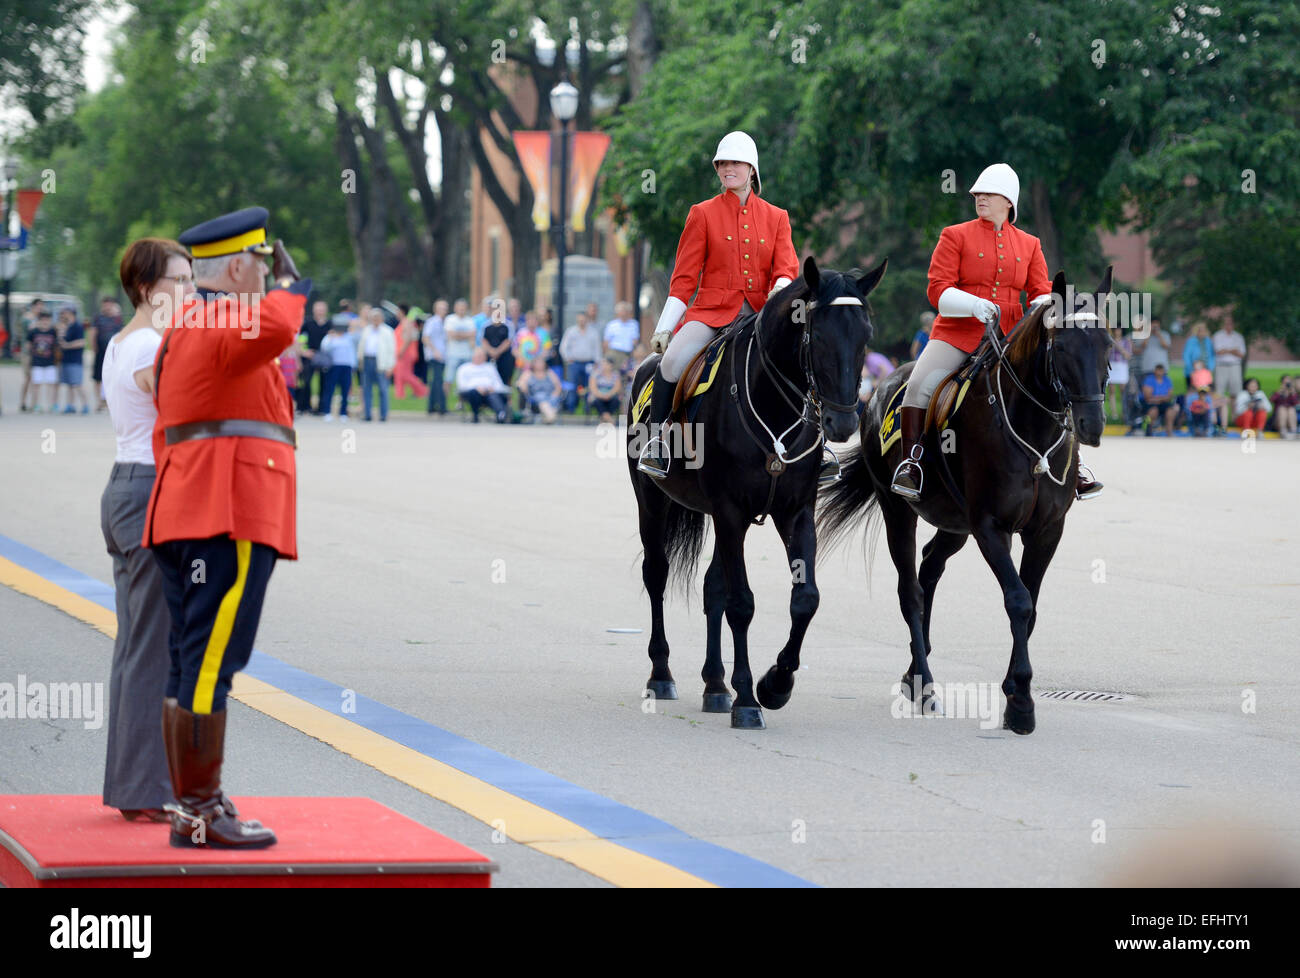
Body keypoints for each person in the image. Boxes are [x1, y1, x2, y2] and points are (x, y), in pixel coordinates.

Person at [145, 206, 311, 849]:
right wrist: (294, 288)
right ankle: (198, 809)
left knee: (191, 659)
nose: (270, 277)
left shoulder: (190, 324)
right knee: (212, 659)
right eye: (263, 264)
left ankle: (191, 802)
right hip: (226, 510)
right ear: (240, 266)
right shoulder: (220, 315)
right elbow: (279, 322)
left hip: (191, 508)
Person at [894, 162, 1101, 499]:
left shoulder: (1030, 244)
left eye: (988, 194)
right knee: (919, 385)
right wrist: (972, 305)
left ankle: (1074, 466)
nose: (980, 198)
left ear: (1008, 201)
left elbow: (1038, 292)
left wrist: (1060, 302)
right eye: (977, 194)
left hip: (1011, 336)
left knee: (1057, 384)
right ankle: (911, 462)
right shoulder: (955, 234)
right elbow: (938, 289)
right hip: (957, 334)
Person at [638, 130, 799, 478]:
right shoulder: (702, 213)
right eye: (722, 163)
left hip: (760, 315)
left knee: (804, 359)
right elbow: (683, 279)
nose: (727, 168)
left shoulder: (777, 217)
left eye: (735, 163)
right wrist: (666, 326)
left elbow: (786, 267)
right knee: (671, 363)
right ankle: (657, 442)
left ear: (752, 169)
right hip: (711, 314)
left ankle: (819, 450)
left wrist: (781, 290)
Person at [100, 238, 193, 823]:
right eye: (178, 281)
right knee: (151, 648)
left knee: (139, 644)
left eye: (191, 279)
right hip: (149, 490)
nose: (189, 291)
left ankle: (137, 784)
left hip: (131, 486)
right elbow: (188, 411)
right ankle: (141, 790)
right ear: (144, 288)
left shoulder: (125, 341)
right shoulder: (150, 347)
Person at [357, 308, 395, 422]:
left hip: (381, 363)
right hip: (367, 360)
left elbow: (392, 350)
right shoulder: (367, 330)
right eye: (373, 318)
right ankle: (367, 414)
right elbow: (361, 346)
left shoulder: (387, 331)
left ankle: (383, 414)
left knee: (383, 390)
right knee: (366, 389)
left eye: (377, 318)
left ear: (382, 319)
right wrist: (360, 360)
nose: (376, 320)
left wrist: (390, 366)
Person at [456, 346, 510, 422]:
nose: (480, 358)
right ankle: (475, 415)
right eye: (478, 356)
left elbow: (498, 383)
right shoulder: (464, 368)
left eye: (482, 356)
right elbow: (462, 385)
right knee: (474, 393)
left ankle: (501, 415)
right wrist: (476, 388)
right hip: (472, 392)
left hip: (489, 392)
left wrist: (493, 388)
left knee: (494, 396)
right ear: (473, 357)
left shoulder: (490, 367)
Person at [560, 310, 603, 407]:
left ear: (587, 320)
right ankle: (572, 407)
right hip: (574, 363)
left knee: (588, 386)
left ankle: (587, 407)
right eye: (580, 320)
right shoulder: (571, 331)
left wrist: (597, 362)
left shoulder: (593, 332)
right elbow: (563, 347)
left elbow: (597, 348)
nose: (581, 322)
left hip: (589, 363)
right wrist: (568, 359)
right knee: (573, 385)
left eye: (583, 320)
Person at [297, 300, 333, 414]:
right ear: (314, 310)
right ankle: (304, 406)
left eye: (322, 309)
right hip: (310, 355)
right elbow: (300, 338)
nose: (320, 311)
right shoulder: (308, 323)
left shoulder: (330, 324)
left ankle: (321, 408)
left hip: (324, 356)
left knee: (324, 382)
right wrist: (303, 351)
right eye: (318, 309)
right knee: (306, 381)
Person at [319, 317, 356, 421]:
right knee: (330, 389)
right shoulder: (330, 337)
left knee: (345, 390)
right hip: (333, 366)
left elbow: (352, 353)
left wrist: (353, 366)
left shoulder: (349, 337)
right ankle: (327, 411)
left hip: (346, 366)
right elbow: (325, 349)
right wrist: (331, 338)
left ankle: (343, 412)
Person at [91, 297, 124, 412]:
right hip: (100, 352)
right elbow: (93, 333)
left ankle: (110, 402)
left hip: (114, 353)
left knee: (113, 377)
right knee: (98, 378)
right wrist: (93, 347)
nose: (107, 307)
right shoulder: (98, 318)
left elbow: (122, 333)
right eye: (105, 304)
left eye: (110, 304)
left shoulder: (118, 319)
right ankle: (99, 402)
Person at [57, 306, 91, 413]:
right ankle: (70, 406)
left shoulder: (78, 326)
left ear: (71, 314)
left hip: (75, 360)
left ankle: (85, 405)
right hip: (65, 359)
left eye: (65, 313)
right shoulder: (67, 326)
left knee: (77, 384)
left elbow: (82, 342)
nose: (63, 315)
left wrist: (67, 345)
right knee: (69, 385)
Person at [26, 310, 59, 413]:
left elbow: (57, 346)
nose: (45, 322)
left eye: (47, 320)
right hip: (37, 362)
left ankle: (52, 405)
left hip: (50, 362)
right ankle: (36, 405)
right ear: (39, 321)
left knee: (51, 384)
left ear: (50, 321)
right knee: (36, 384)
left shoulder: (53, 331)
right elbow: (28, 345)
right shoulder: (33, 331)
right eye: (43, 320)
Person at [392, 307, 428, 402]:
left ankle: (423, 391)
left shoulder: (407, 322)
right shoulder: (404, 322)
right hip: (402, 352)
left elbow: (408, 339)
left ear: (402, 312)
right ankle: (399, 395)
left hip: (406, 353)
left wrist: (401, 351)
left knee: (405, 375)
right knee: (399, 375)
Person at [444, 298, 476, 395]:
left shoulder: (470, 320)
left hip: (467, 354)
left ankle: (461, 402)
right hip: (453, 354)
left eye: (463, 307)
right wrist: (466, 335)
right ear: (455, 308)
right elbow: (451, 335)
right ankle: (443, 402)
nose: (462, 309)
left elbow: (472, 335)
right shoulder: (450, 319)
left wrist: (458, 335)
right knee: (448, 378)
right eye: (460, 307)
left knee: (465, 380)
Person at [518, 356, 563, 423]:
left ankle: (549, 417)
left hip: (550, 395)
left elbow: (558, 386)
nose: (540, 365)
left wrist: (555, 394)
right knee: (541, 398)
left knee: (554, 399)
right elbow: (520, 384)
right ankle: (551, 417)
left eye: (541, 363)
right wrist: (523, 387)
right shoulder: (528, 373)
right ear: (533, 364)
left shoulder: (549, 373)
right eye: (538, 363)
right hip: (536, 396)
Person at [422, 299, 448, 415]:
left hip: (443, 356)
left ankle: (431, 407)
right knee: (438, 381)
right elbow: (426, 338)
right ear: (436, 309)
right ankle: (442, 407)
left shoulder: (445, 322)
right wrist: (435, 351)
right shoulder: (432, 322)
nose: (444, 311)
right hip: (434, 355)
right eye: (442, 308)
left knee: (435, 382)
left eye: (445, 308)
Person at [482, 302, 516, 388]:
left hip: (505, 356)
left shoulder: (508, 325)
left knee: (506, 379)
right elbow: (483, 340)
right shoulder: (486, 325)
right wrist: (492, 352)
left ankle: (507, 399)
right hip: (489, 355)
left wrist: (497, 352)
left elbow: (509, 341)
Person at [1212, 321, 1247, 404]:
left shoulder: (1238, 337)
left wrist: (1226, 350)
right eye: (1227, 324)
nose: (1229, 326)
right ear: (1223, 325)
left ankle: (1235, 415)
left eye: (1231, 324)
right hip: (1221, 366)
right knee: (1219, 392)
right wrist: (1233, 350)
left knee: (1236, 392)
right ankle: (1219, 414)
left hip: (1234, 366)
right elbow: (1219, 351)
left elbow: (1241, 354)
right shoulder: (1218, 336)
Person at [1141, 362, 1178, 436]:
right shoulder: (1149, 380)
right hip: (1151, 403)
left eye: (1161, 371)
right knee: (1153, 411)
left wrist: (1159, 398)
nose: (1160, 373)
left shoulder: (1167, 380)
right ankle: (1148, 431)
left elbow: (1170, 396)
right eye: (1158, 370)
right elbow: (1148, 397)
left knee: (1171, 410)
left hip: (1163, 402)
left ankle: (1169, 432)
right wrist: (1161, 398)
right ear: (1155, 371)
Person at [603, 300, 640, 372]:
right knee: (613, 374)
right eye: (621, 311)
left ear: (628, 312)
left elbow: (635, 341)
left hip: (628, 355)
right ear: (617, 313)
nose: (623, 313)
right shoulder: (612, 325)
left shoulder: (634, 324)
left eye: (625, 311)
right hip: (614, 353)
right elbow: (606, 342)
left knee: (627, 375)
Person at [1106, 323, 1132, 421]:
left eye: (1119, 329)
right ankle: (1114, 413)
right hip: (1112, 365)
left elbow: (1128, 355)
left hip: (1122, 366)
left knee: (1123, 390)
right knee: (1111, 390)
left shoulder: (1126, 341)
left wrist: (1117, 345)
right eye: (1116, 329)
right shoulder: (1109, 340)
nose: (1117, 331)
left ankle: (1124, 411)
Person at [588, 356, 623, 423]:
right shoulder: (595, 374)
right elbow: (593, 388)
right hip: (598, 395)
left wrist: (608, 395)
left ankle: (604, 418)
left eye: (606, 364)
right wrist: (602, 395)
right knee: (597, 401)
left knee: (615, 400)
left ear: (611, 365)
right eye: (602, 364)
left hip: (611, 396)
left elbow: (617, 388)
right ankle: (609, 419)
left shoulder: (615, 375)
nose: (603, 366)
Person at [1182, 322, 1215, 392]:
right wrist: (1191, 368)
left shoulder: (1208, 341)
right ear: (1196, 331)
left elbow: (1212, 355)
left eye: (1204, 331)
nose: (1202, 333)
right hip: (1193, 371)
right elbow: (1186, 355)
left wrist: (1210, 367)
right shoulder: (1191, 341)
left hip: (1205, 371)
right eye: (1200, 331)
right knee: (1193, 391)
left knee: (1206, 391)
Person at [1271, 375, 1298, 440]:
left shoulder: (1293, 393)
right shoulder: (1278, 392)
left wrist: (1292, 393)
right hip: (1278, 421)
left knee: (1291, 409)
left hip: (1290, 420)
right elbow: (1272, 400)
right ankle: (1283, 430)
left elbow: (1296, 404)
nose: (1286, 385)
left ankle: (1293, 430)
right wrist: (1279, 392)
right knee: (1282, 409)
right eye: (1285, 383)